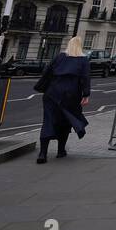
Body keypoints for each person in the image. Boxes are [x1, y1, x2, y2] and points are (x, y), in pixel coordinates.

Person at [35, 36, 91, 164]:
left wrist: (43, 87)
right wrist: (86, 95)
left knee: (48, 120)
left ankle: (43, 153)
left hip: (52, 93)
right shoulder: (83, 60)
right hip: (71, 94)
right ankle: (61, 151)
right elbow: (85, 78)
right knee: (66, 121)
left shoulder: (59, 57)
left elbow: (47, 71)